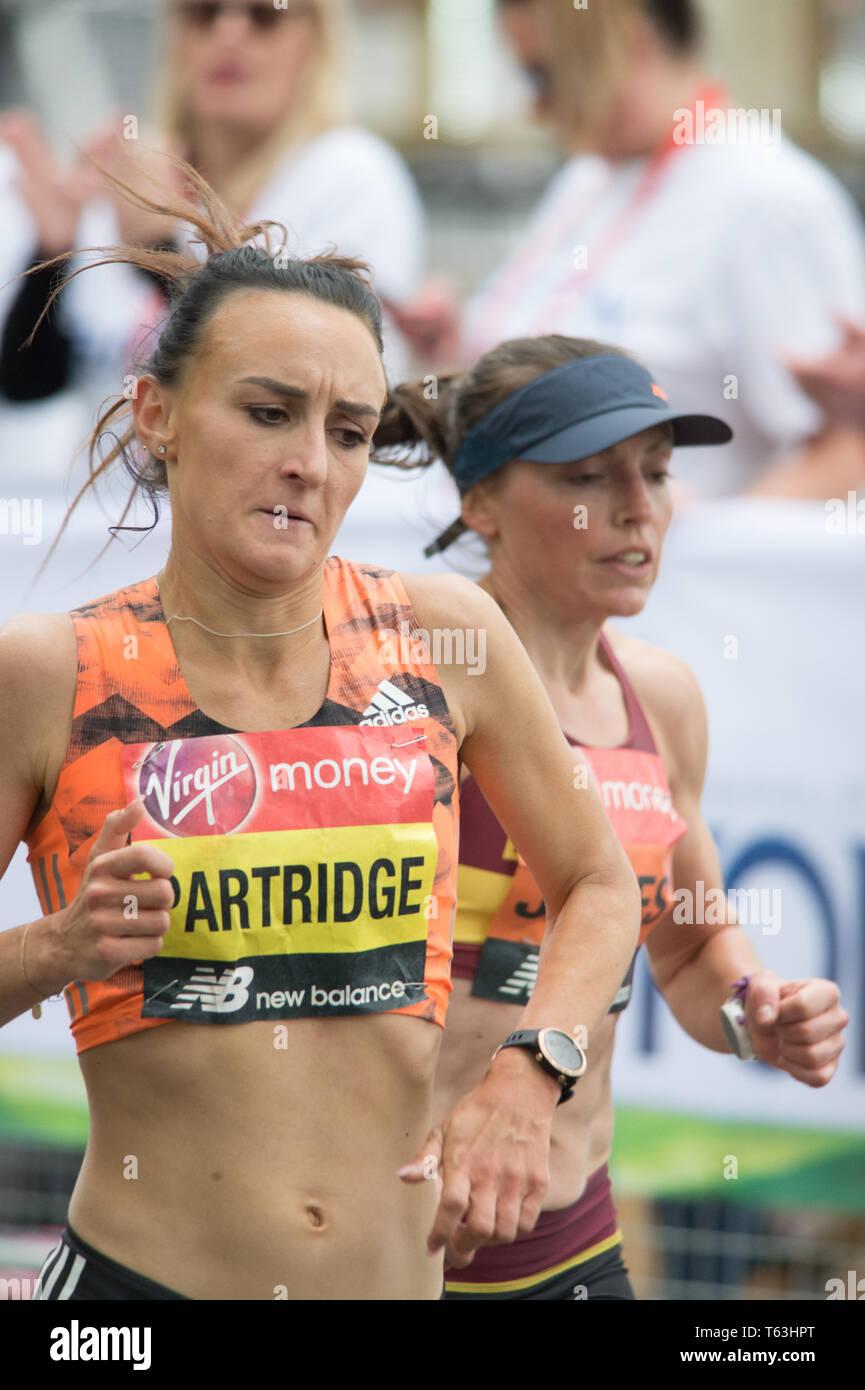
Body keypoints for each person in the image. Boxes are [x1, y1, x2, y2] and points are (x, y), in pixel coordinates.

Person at [0, 165, 641, 1301]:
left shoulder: (443, 634)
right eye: (266, 410)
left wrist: (531, 1066)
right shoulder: (52, 669)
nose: (309, 460)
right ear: (158, 411)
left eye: (349, 430)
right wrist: (58, 950)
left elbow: (600, 879)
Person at [370, 334, 849, 1298]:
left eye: (659, 474)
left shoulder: (660, 700)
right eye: (588, 475)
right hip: (391, 1245)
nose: (637, 508)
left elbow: (682, 951)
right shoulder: (403, 686)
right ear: (481, 503)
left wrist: (759, 1011)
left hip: (571, 1238)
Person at [390, 0, 865, 500]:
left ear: (627, 41)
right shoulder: (590, 179)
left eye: (542, 76)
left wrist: (684, 543)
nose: (535, 109)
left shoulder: (769, 202)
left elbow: (846, 456)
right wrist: (461, 342)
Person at [0, 0, 423, 418]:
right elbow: (28, 386)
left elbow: (293, 373)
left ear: (315, 40)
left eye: (263, 16)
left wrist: (161, 254)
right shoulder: (140, 172)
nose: (228, 34)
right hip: (115, 487)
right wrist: (53, 253)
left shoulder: (347, 172)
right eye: (203, 13)